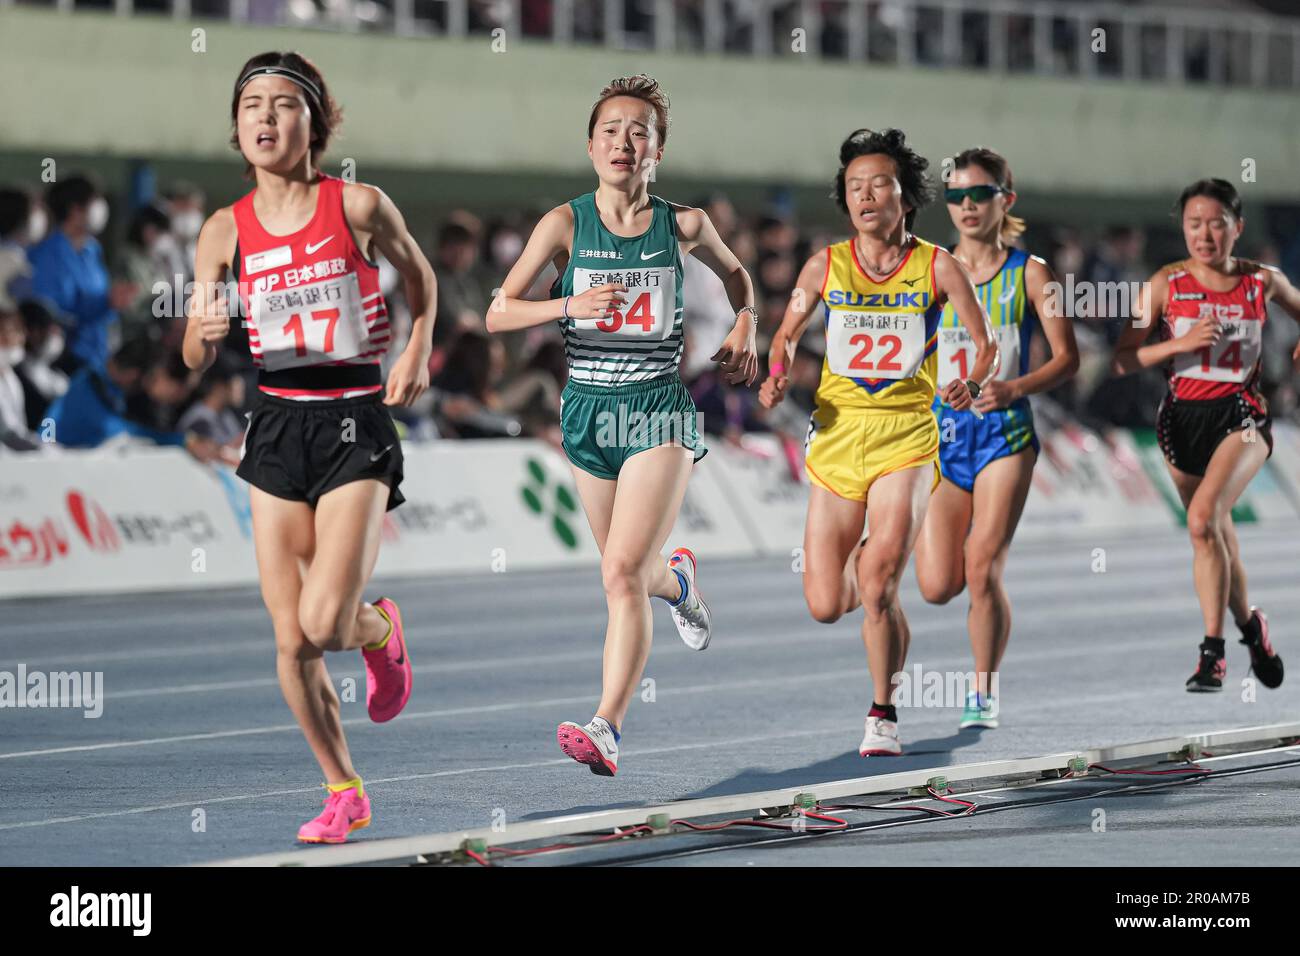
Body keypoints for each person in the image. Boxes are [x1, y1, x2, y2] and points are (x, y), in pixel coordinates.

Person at [181, 51, 437, 842]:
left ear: (315, 123)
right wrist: (201, 329)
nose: (264, 117)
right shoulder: (224, 229)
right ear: (236, 125)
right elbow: (192, 355)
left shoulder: (358, 205)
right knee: (291, 638)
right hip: (276, 426)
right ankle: (343, 788)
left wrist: (418, 346)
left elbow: (419, 278)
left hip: (355, 419)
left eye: (283, 104)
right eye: (250, 103)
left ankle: (380, 630)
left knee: (328, 621)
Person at [486, 74, 758, 776]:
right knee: (630, 578)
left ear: (657, 149)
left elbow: (737, 278)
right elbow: (498, 312)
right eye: (610, 130)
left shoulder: (686, 224)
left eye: (639, 131)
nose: (623, 142)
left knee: (618, 572)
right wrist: (566, 309)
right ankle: (681, 583)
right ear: (590, 145)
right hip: (585, 411)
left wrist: (748, 322)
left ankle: (607, 725)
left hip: (656, 410)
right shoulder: (564, 225)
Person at [759, 128, 997, 757]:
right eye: (854, 187)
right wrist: (779, 371)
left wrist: (969, 382)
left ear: (905, 197)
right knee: (824, 602)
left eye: (879, 185)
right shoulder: (825, 265)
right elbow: (785, 334)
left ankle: (882, 714)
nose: (865, 196)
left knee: (881, 582)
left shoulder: (938, 266)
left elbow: (985, 343)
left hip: (907, 439)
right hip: (838, 439)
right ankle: (871, 561)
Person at [912, 147, 1079, 730]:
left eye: (978, 194)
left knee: (983, 566)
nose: (965, 206)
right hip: (943, 436)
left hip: (1004, 435)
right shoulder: (930, 269)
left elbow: (1068, 359)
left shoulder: (1031, 273)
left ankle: (982, 690)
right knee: (937, 587)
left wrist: (1011, 389)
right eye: (955, 196)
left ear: (1006, 199)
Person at [1111, 178, 1297, 692]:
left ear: (1237, 227)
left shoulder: (1263, 281)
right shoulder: (1166, 283)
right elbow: (1125, 358)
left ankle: (1212, 653)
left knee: (1200, 521)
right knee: (1215, 536)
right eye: (1195, 224)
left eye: (1217, 223)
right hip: (1181, 419)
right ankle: (1251, 628)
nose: (1206, 234)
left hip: (1241, 416)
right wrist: (1180, 344)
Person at [28, 174, 138, 373]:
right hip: (67, 360)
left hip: (99, 355)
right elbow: (52, 314)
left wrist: (112, 300)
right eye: (94, 202)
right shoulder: (49, 255)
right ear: (75, 209)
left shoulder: (92, 249)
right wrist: (105, 303)